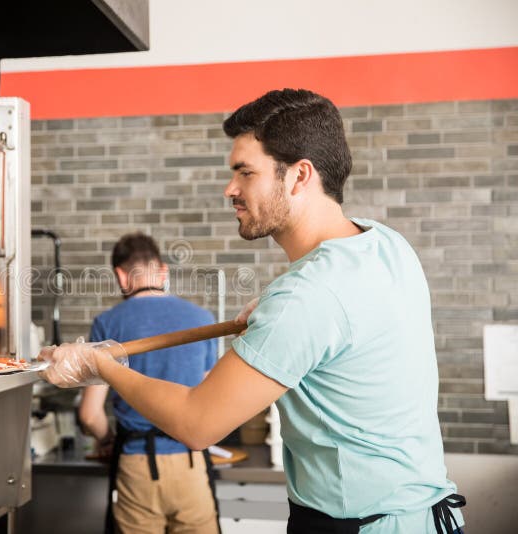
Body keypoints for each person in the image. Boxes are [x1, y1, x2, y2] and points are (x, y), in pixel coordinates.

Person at [40, 88, 465, 534]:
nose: (230, 189)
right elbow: (346, 320)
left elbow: (196, 423)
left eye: (246, 173)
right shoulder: (384, 244)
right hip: (427, 515)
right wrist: (277, 306)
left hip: (364, 526)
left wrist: (100, 363)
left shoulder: (306, 297)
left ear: (300, 176)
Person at [78, 232, 220, 534]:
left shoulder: (108, 324)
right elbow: (212, 403)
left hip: (136, 465)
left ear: (121, 275)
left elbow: (89, 415)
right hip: (191, 464)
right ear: (163, 271)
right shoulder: (203, 319)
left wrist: (107, 440)